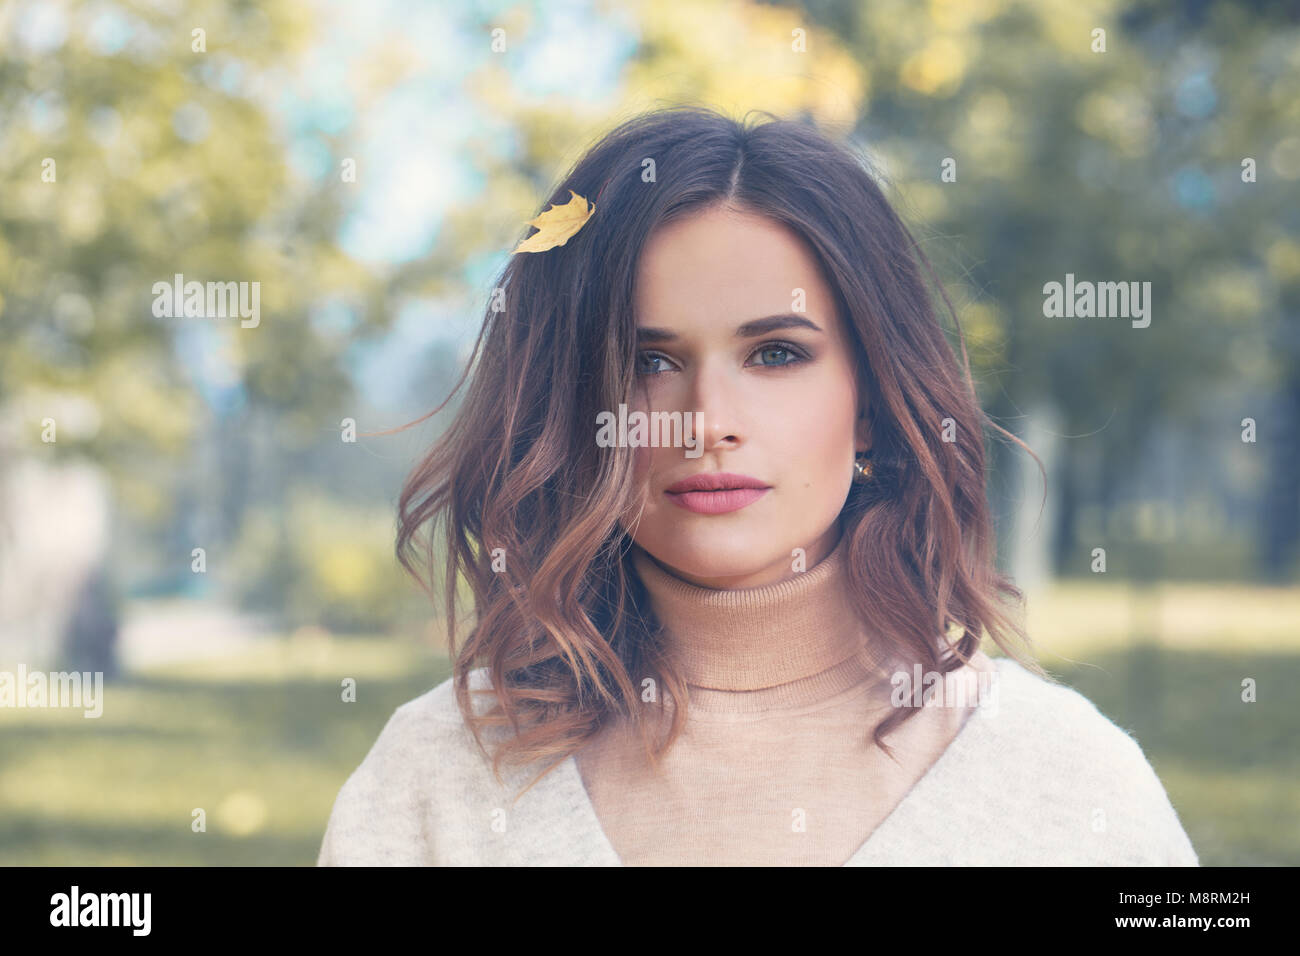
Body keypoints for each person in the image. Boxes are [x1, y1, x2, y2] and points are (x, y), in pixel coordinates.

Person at [317, 106, 1198, 866]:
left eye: (776, 353)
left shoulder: (1070, 781)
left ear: (872, 403)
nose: (707, 419)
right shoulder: (436, 779)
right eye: (648, 361)